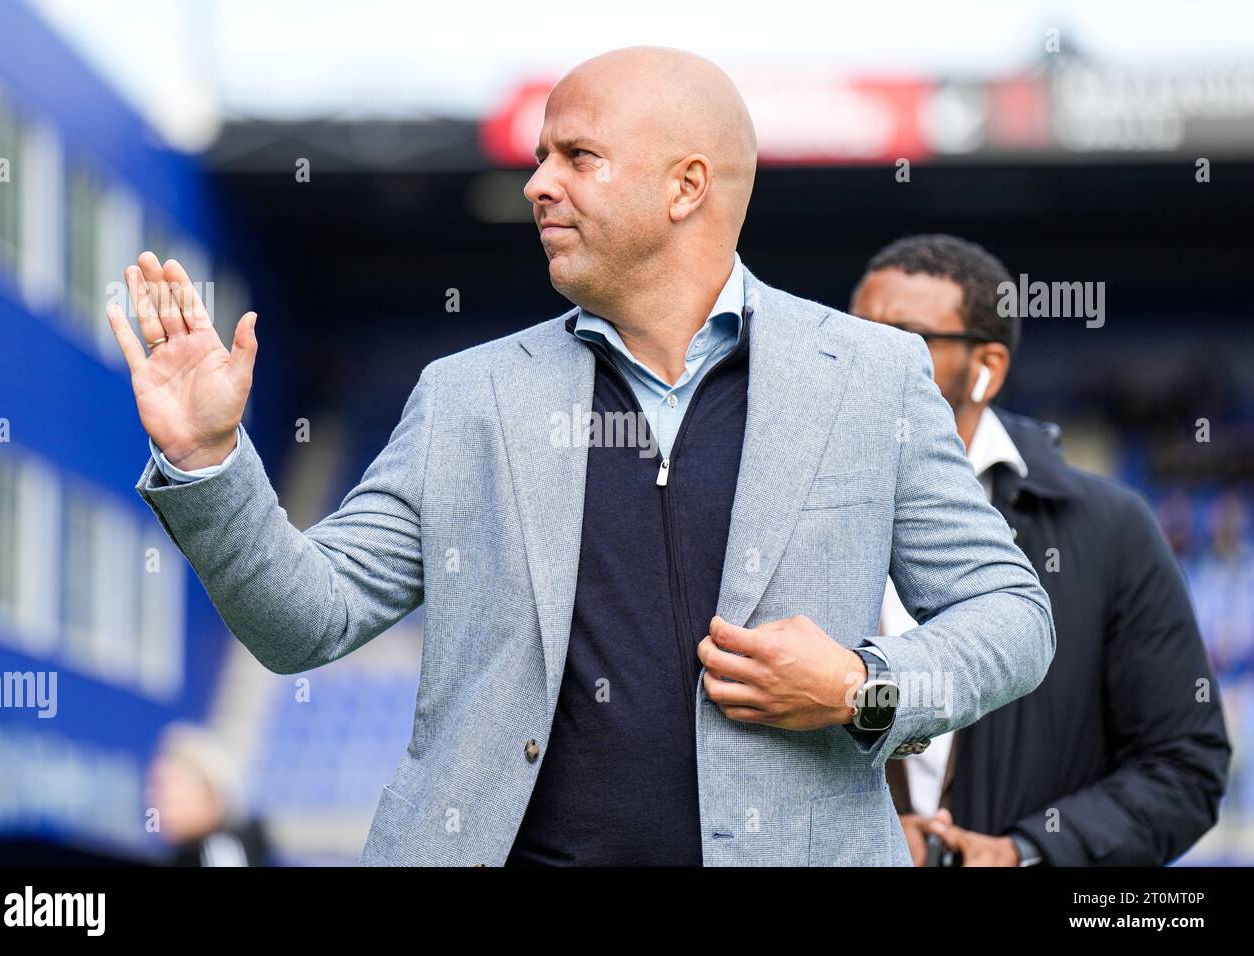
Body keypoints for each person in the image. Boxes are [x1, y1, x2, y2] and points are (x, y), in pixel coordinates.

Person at [105, 48, 1053, 867]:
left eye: (578, 157)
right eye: (539, 156)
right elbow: (305, 623)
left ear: (686, 187)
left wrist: (860, 685)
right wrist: (209, 457)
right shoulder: (468, 396)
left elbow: (1011, 616)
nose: (536, 184)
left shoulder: (872, 378)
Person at [850, 234, 1231, 866]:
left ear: (987, 368)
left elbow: (1183, 764)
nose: (866, 356)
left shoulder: (1109, 528)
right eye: (852, 331)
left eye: (904, 336)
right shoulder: (786, 515)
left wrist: (1027, 852)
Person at [146, 722, 272, 867]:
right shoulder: (186, 854)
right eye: (154, 788)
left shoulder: (223, 851)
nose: (154, 802)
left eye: (169, 798)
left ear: (211, 795)